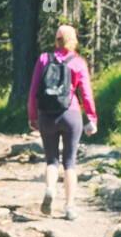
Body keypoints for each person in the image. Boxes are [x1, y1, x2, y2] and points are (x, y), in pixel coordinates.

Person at [27, 24, 97, 220]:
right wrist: (91, 117)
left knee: (51, 160)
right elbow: (86, 94)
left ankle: (50, 189)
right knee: (69, 163)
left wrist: (33, 116)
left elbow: (33, 91)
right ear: (73, 40)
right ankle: (69, 207)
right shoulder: (78, 62)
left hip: (46, 115)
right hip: (71, 114)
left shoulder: (43, 59)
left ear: (56, 40)